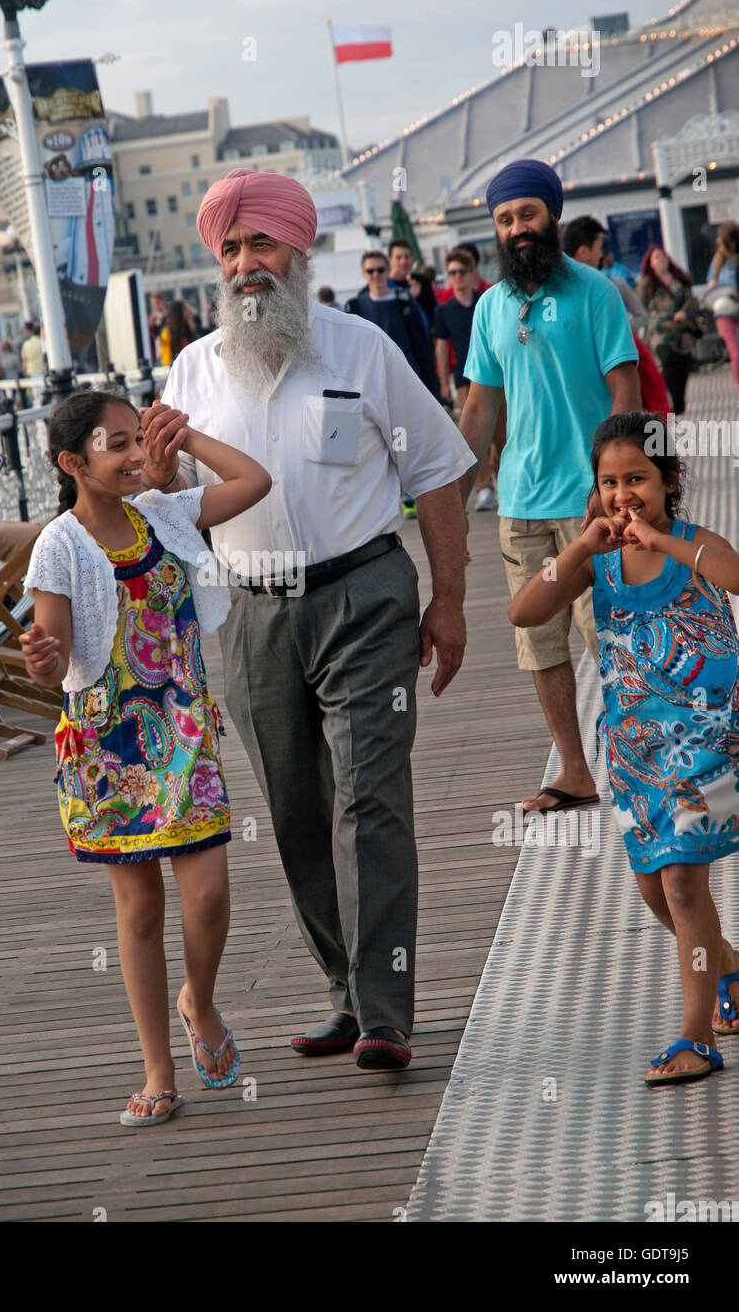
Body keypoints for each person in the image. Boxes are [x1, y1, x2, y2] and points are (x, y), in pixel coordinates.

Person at [155, 167, 475, 1071]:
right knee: (296, 811)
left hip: (363, 595)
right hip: (250, 614)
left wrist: (448, 601)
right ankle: (343, 991)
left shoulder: (361, 348)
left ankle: (385, 1011)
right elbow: (171, 505)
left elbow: (437, 474)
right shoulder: (192, 369)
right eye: (231, 250)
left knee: (369, 803)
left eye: (262, 245)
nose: (247, 264)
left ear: (298, 252)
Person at [19, 390, 270, 1127]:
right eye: (118, 444)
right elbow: (53, 657)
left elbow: (254, 480)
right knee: (138, 910)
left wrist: (183, 433)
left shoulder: (163, 512)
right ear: (73, 463)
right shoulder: (57, 547)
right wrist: (39, 661)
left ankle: (199, 996)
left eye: (139, 437)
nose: (137, 456)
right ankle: (158, 1071)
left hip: (183, 730)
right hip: (105, 743)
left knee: (210, 895)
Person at [508, 411, 739, 1084]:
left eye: (636, 478)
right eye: (609, 482)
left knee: (680, 883)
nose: (621, 495)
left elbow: (733, 574)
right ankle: (726, 967)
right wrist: (579, 547)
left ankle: (694, 1036)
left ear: (668, 481)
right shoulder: (599, 562)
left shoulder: (693, 546)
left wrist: (663, 541)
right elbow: (524, 611)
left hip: (706, 749)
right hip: (635, 757)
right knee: (654, 892)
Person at [459, 157, 640, 814]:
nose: (516, 228)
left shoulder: (593, 292)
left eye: (526, 214)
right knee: (537, 643)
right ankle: (573, 769)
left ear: (550, 216)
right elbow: (479, 410)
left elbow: (624, 386)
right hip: (520, 508)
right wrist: (453, 508)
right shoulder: (490, 306)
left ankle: (643, 759)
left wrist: (615, 485)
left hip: (590, 505)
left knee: (612, 637)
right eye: (504, 219)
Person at [346, 248, 445, 518]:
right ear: (364, 273)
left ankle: (410, 495)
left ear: (388, 271)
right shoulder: (355, 307)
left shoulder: (404, 303)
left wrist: (433, 388)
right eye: (370, 271)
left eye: (380, 270)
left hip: (404, 383)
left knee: (404, 443)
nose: (376, 275)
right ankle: (390, 498)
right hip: (367, 387)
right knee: (376, 446)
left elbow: (423, 347)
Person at [563, 216, 670, 414]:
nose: (601, 254)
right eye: (598, 248)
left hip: (622, 358)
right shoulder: (559, 291)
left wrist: (613, 328)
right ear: (583, 251)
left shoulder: (612, 284)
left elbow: (641, 316)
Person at [433, 248, 502, 511]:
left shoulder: (486, 301)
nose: (457, 277)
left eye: (462, 271)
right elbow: (440, 346)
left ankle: (501, 479)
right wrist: (443, 382)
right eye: (452, 273)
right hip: (463, 377)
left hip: (496, 375)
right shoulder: (443, 311)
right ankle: (483, 486)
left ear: (472, 272)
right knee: (472, 434)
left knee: (501, 431)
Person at [637, 247, 700, 415]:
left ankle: (679, 400)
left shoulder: (680, 279)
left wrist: (684, 312)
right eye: (657, 257)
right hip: (659, 331)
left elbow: (689, 300)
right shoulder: (647, 283)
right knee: (667, 359)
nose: (661, 259)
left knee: (682, 362)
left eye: (663, 256)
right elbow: (639, 305)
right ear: (650, 263)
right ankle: (670, 397)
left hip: (682, 330)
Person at [706, 221, 739, 392]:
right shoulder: (718, 260)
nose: (717, 241)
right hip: (725, 311)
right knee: (736, 354)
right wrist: (716, 288)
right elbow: (711, 284)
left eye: (720, 237)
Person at [387, 238, 437, 327]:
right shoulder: (385, 285)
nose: (403, 261)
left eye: (407, 257)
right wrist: (410, 296)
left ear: (412, 258)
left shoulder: (422, 281)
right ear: (390, 260)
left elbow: (432, 314)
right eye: (398, 258)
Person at [158, 301, 193, 366]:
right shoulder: (166, 333)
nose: (188, 312)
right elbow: (166, 361)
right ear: (178, 312)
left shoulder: (187, 329)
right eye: (185, 310)